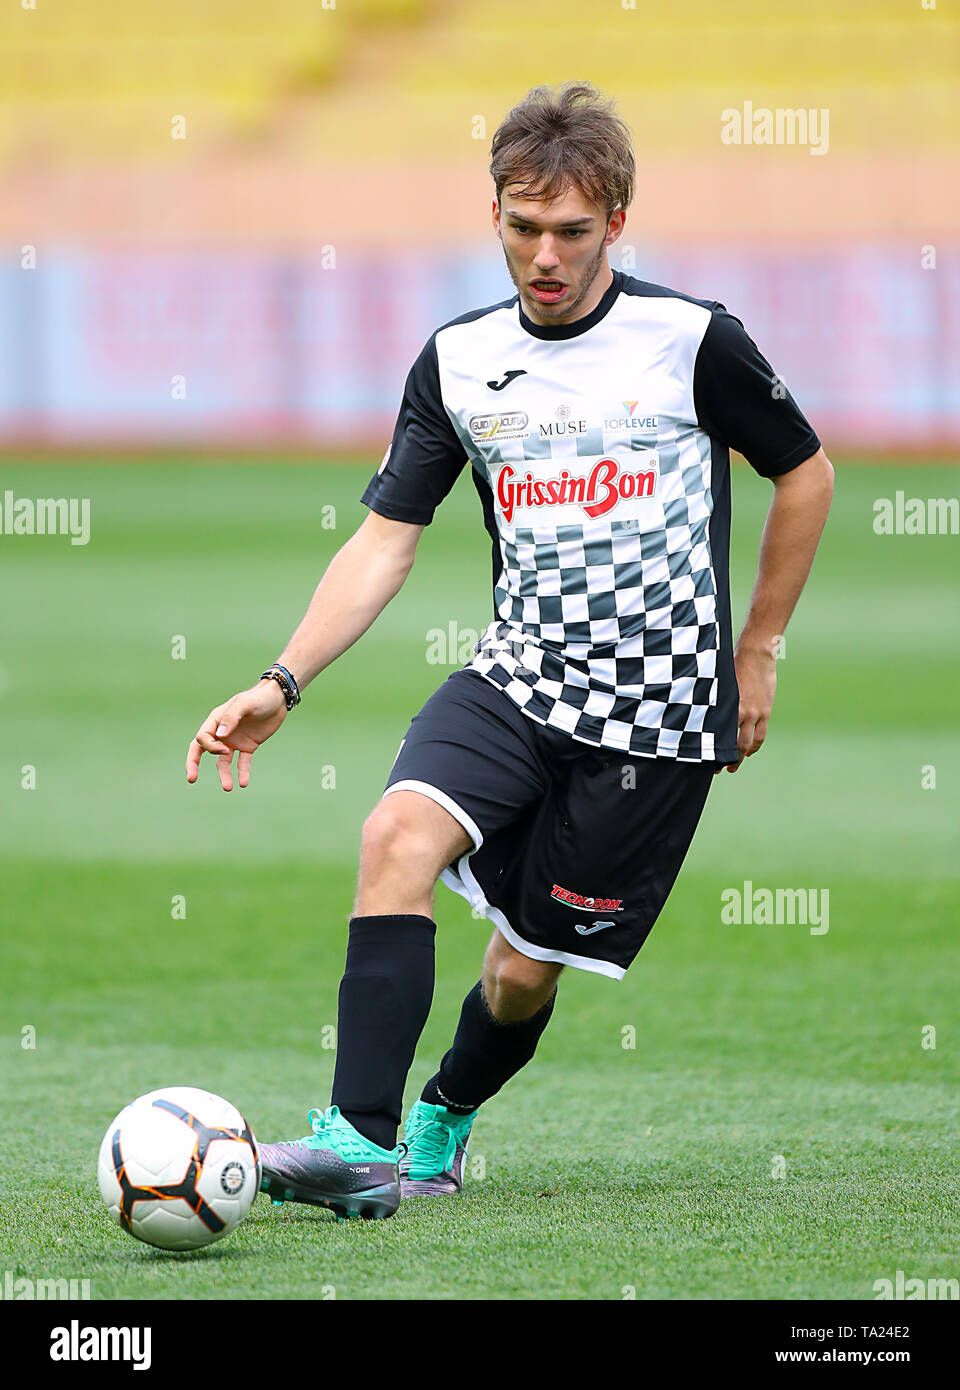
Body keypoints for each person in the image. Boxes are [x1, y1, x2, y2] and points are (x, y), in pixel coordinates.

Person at [186, 82, 834, 1220]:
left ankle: (444, 1111)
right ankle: (358, 1141)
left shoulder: (692, 340)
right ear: (493, 212)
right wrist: (283, 677)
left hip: (655, 720)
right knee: (394, 832)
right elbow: (387, 540)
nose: (545, 255)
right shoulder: (457, 362)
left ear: (617, 223)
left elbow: (806, 472)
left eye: (572, 232)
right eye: (523, 226)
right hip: (515, 679)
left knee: (521, 972)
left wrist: (761, 648)